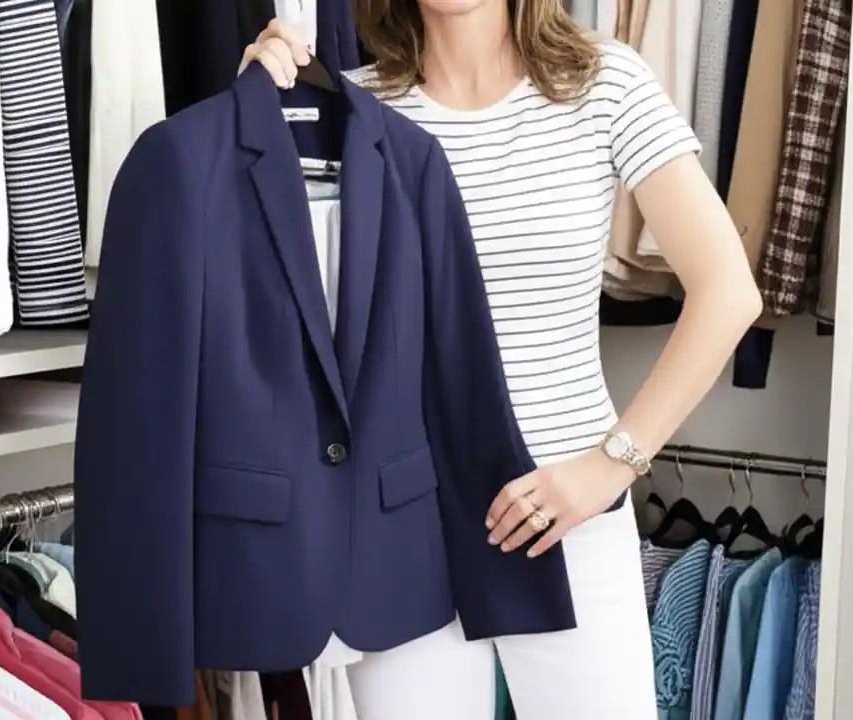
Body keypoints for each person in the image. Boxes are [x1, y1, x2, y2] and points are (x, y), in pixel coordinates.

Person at [239, 1, 761, 717]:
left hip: (570, 514)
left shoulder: (605, 83)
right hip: (405, 525)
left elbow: (730, 291)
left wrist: (609, 466)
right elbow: (277, 312)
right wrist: (255, 132)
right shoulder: (349, 109)